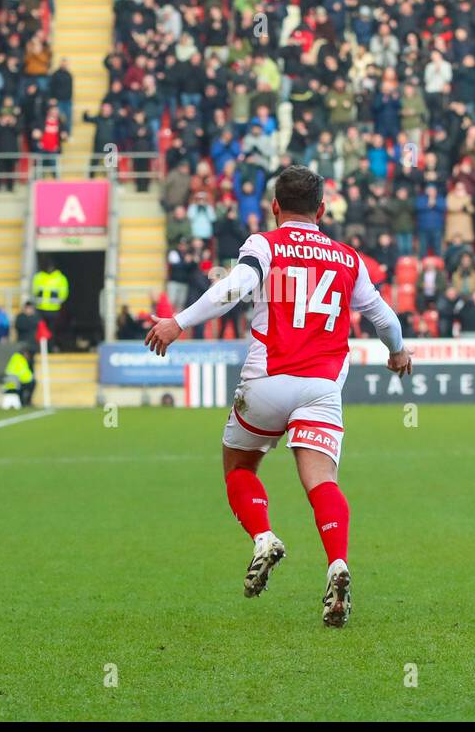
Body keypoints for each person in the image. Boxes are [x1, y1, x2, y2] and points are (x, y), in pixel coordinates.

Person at [144, 165, 412, 628]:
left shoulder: (264, 245)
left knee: (240, 466)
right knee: (321, 481)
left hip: (267, 380)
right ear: (322, 210)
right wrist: (399, 352)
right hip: (322, 387)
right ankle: (337, 564)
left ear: (274, 207)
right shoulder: (349, 258)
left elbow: (233, 289)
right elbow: (384, 318)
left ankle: (264, 536)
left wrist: (179, 322)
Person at [31, 257, 69, 342]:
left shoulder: (60, 278)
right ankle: (42, 348)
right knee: (40, 330)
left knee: (52, 331)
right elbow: (34, 291)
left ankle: (51, 348)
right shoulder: (39, 277)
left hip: (53, 310)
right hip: (41, 309)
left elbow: (63, 294)